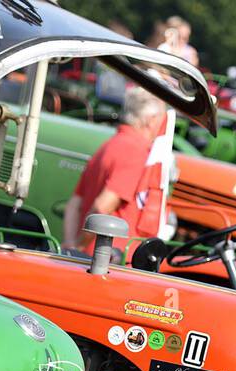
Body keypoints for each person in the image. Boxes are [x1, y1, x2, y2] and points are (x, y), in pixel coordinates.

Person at [63, 86, 168, 252]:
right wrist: (80, 245)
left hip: (93, 256)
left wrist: (70, 245)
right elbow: (102, 207)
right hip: (110, 259)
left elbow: (74, 205)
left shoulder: (109, 145)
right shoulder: (135, 150)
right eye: (163, 118)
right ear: (151, 120)